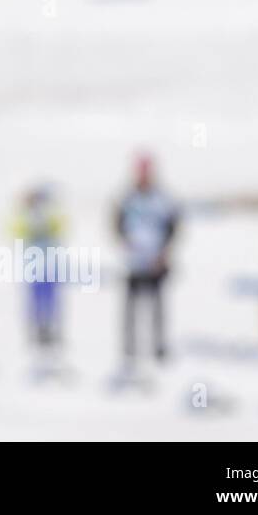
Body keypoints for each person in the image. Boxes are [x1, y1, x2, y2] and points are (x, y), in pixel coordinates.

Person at [114, 153, 180, 363]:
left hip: (155, 260)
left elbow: (173, 226)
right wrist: (125, 243)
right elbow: (117, 224)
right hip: (135, 261)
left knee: (157, 306)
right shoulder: (128, 198)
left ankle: (158, 346)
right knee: (131, 306)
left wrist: (165, 251)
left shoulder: (162, 199)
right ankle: (130, 348)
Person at [11, 182, 66, 348]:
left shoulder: (52, 215)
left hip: (50, 264)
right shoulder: (25, 216)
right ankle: (36, 330)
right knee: (35, 301)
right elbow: (17, 233)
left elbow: (60, 229)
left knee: (51, 301)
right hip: (34, 265)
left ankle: (51, 330)